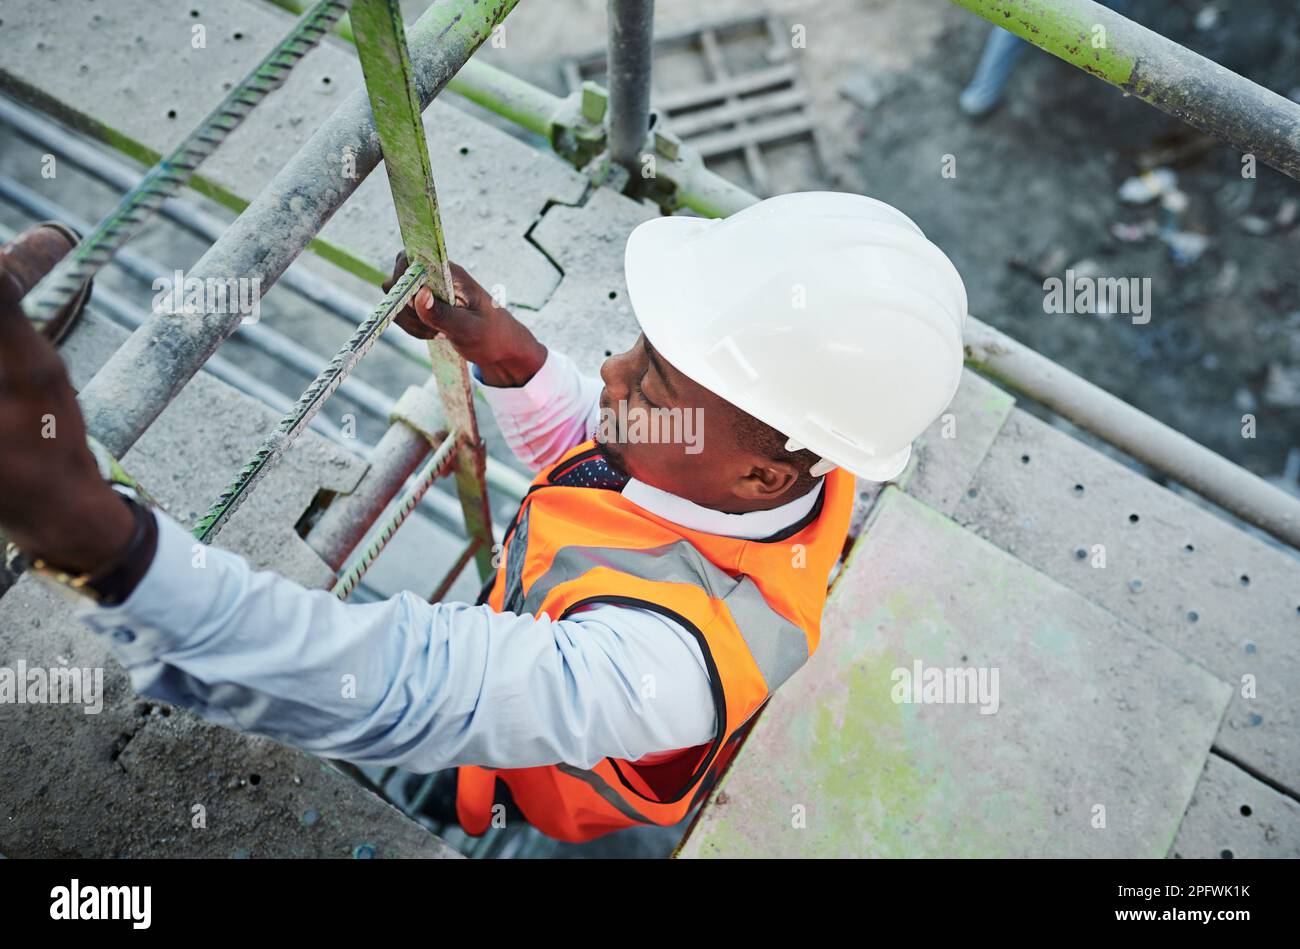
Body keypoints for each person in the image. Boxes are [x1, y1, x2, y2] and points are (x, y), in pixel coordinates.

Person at [0, 191, 967, 843]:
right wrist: (514, 361)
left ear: (761, 477)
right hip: (523, 741)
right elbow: (616, 457)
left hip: (557, 824)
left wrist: (102, 543)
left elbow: (406, 689)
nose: (616, 373)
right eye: (640, 347)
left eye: (652, 378)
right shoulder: (768, 467)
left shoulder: (672, 665)